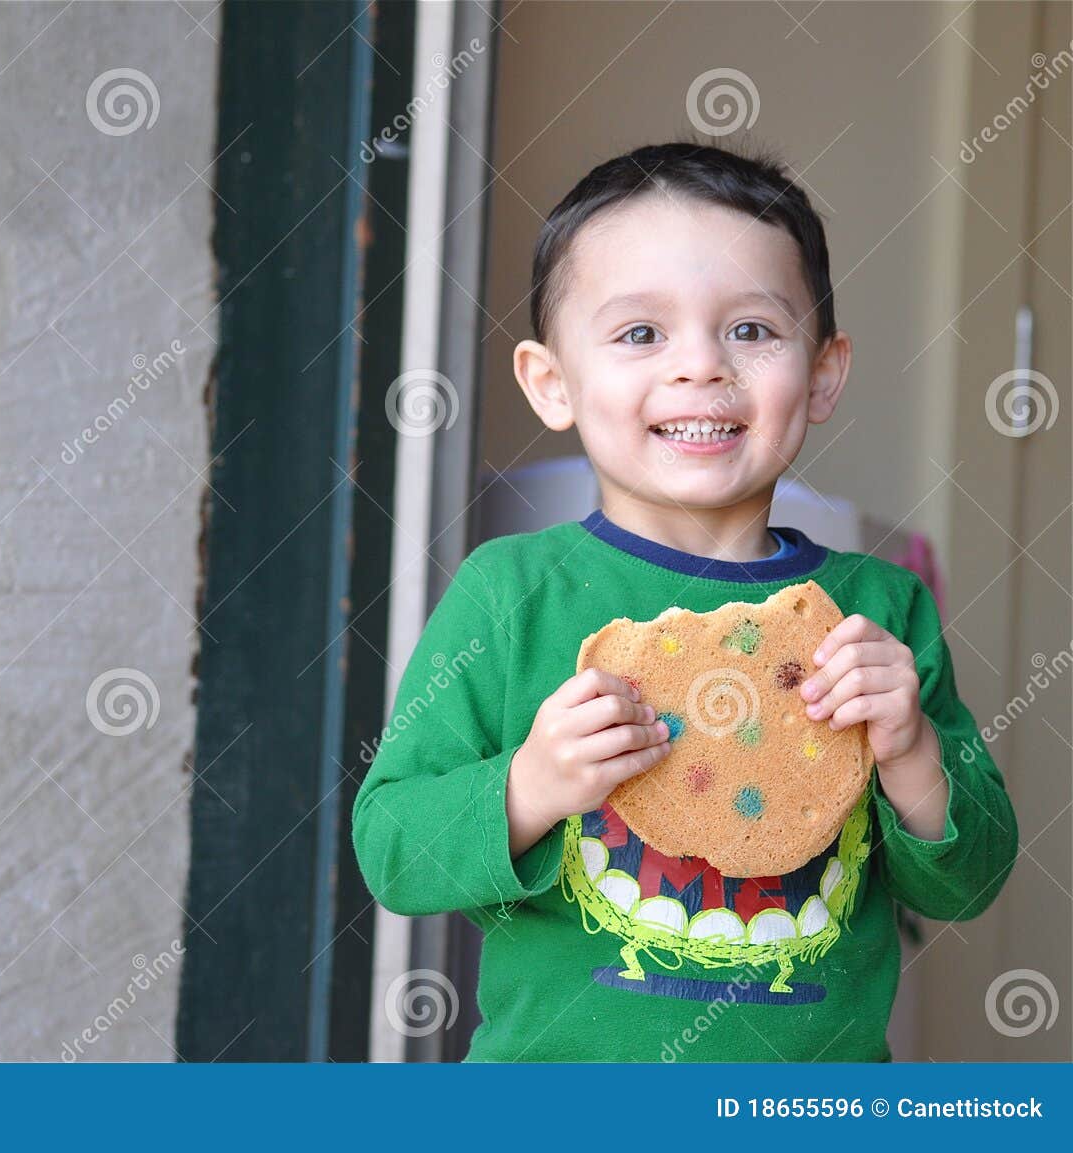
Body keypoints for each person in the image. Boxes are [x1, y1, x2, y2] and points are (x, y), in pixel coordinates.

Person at [351, 140, 1017, 1061]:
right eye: (640, 333)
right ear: (553, 382)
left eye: (751, 330)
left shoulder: (880, 609)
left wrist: (909, 754)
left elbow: (971, 881)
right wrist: (530, 785)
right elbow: (392, 848)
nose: (701, 365)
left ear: (823, 373)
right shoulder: (511, 592)